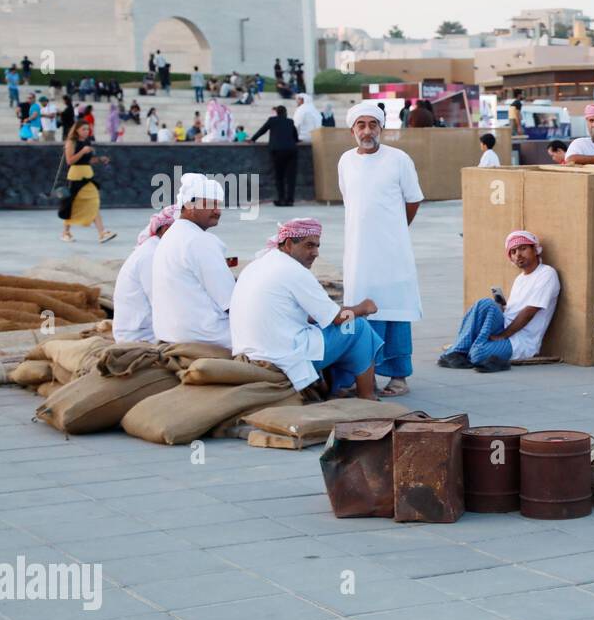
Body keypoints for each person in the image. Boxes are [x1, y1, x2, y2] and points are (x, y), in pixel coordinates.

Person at [231, 218, 385, 400]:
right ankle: (367, 396)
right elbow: (338, 317)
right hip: (279, 357)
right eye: (309, 246)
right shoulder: (294, 271)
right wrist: (364, 307)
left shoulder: (258, 264)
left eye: (317, 246)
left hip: (250, 352)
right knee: (357, 327)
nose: (315, 253)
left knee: (327, 330)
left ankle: (335, 387)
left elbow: (306, 315)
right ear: (288, 244)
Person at [338, 101, 425, 397]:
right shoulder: (345, 161)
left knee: (395, 309)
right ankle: (366, 377)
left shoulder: (398, 159)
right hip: (359, 252)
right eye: (361, 125)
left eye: (372, 124)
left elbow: (413, 200)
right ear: (352, 130)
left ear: (381, 128)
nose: (367, 130)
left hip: (392, 252)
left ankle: (398, 377)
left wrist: (396, 231)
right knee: (363, 311)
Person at [439, 230, 561, 373]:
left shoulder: (546, 274)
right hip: (505, 326)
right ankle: (457, 352)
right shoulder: (520, 279)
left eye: (523, 248)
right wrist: (503, 307)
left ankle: (467, 350)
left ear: (535, 250)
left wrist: (503, 336)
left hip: (520, 340)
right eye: (513, 252)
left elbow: (529, 312)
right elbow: (513, 310)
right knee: (485, 304)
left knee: (477, 354)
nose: (518, 255)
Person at [150, 174, 235, 348]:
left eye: (218, 205)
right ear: (189, 206)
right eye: (208, 204)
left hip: (173, 333)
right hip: (207, 335)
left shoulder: (173, 235)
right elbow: (231, 303)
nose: (217, 211)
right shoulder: (199, 240)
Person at [112, 205, 177, 343]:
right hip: (141, 337)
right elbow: (163, 304)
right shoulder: (151, 255)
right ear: (166, 230)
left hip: (151, 330)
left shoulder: (160, 250)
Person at [58, 121, 116, 244]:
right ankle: (66, 232)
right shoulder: (71, 142)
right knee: (72, 205)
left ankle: (102, 233)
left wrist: (100, 159)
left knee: (94, 202)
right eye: (83, 129)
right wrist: (83, 151)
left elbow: (88, 160)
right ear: (77, 130)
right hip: (75, 176)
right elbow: (70, 161)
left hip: (87, 176)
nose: (86, 131)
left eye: (87, 129)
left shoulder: (87, 142)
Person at [250, 105, 300, 206]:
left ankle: (281, 199)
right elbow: (295, 137)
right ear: (285, 112)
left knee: (279, 176)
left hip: (277, 151)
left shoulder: (272, 120)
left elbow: (262, 130)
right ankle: (290, 200)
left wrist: (253, 139)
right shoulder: (290, 121)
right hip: (291, 151)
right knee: (291, 177)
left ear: (277, 112)